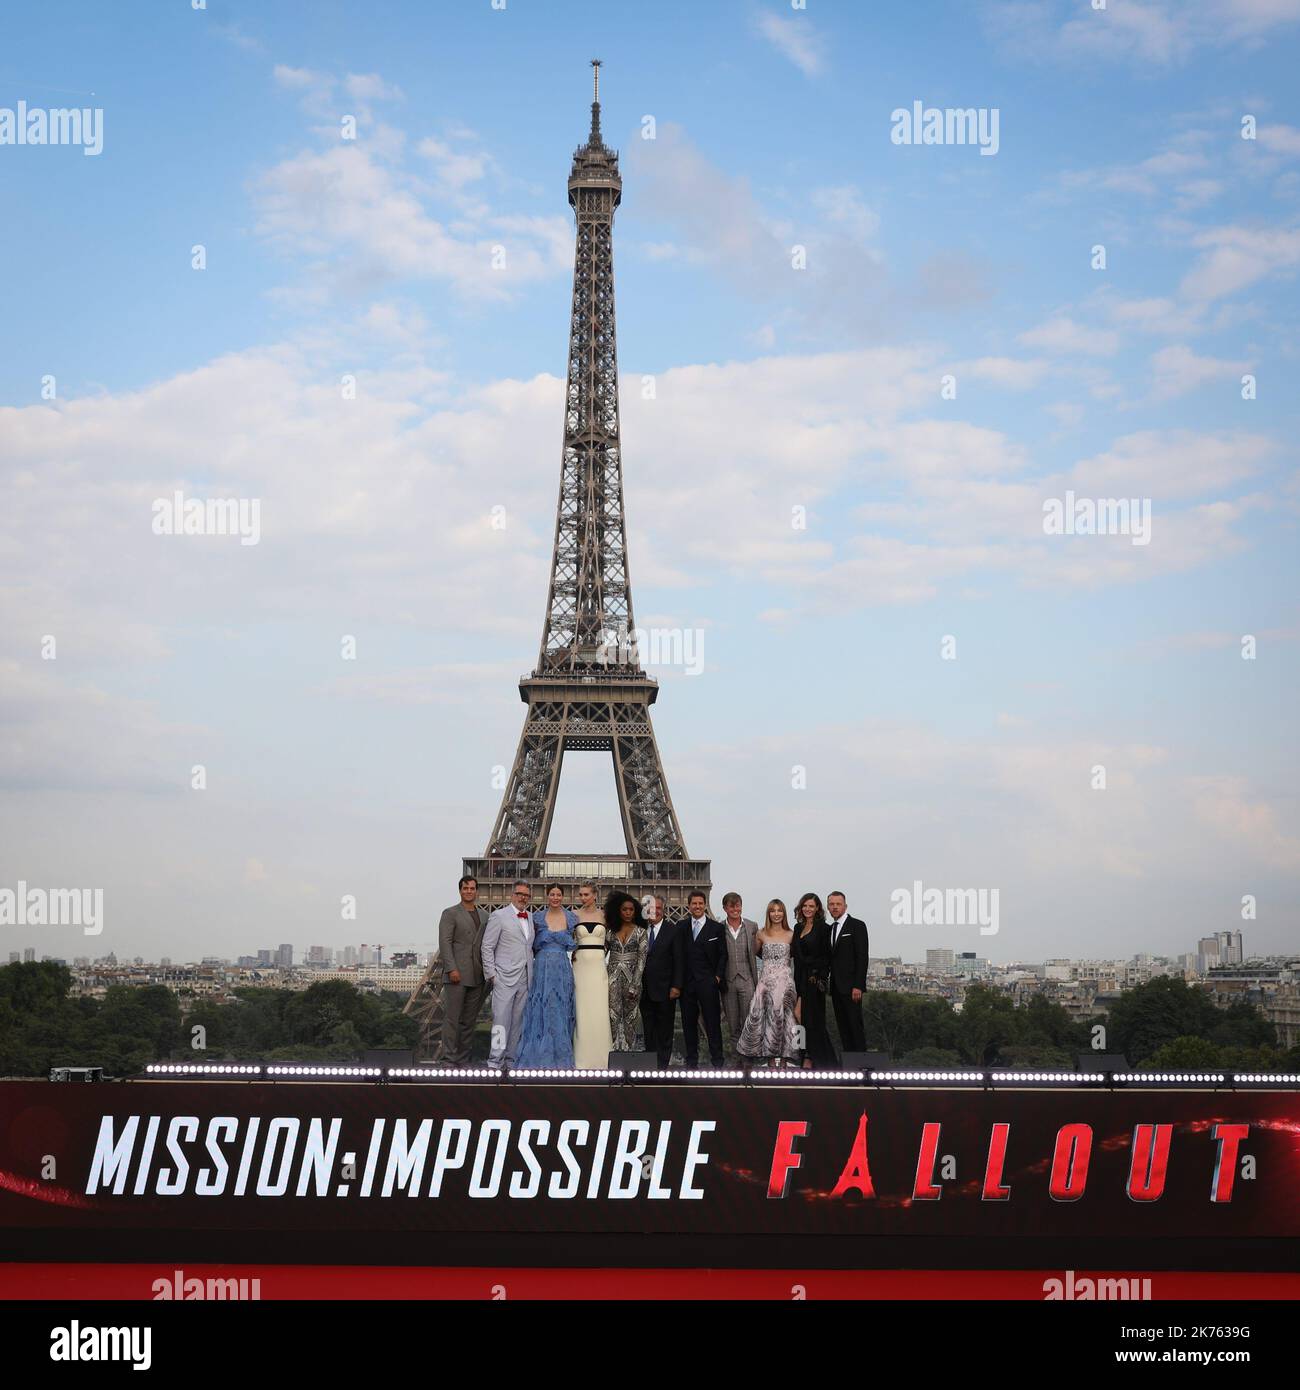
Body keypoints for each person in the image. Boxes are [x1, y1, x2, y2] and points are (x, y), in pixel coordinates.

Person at [515, 884, 577, 1066]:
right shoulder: (537, 917)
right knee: (540, 1009)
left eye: (559, 894)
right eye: (552, 894)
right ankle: (539, 1058)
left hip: (561, 968)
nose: (555, 897)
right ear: (547, 896)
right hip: (542, 966)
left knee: (560, 1008)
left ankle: (560, 1058)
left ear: (563, 897)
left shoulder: (572, 918)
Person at [737, 899, 800, 1066]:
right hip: (766, 983)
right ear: (768, 913)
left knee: (787, 1020)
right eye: (773, 910)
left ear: (784, 914)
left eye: (780, 910)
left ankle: (787, 1059)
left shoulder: (791, 934)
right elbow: (755, 955)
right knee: (766, 1020)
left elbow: (795, 957)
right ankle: (771, 1059)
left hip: (785, 984)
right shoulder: (760, 934)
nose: (777, 914)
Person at [481, 881, 537, 1067]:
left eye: (526, 895)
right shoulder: (499, 916)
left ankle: (511, 1060)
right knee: (500, 1021)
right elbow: (487, 946)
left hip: (525, 976)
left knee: (517, 1024)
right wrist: (492, 975)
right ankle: (494, 1061)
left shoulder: (529, 916)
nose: (523, 898)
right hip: (504, 977)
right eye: (520, 894)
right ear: (512, 895)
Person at [437, 874, 487, 1066]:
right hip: (457, 973)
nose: (469, 891)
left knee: (468, 1021)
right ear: (460, 891)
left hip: (477, 974)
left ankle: (463, 1059)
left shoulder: (485, 915)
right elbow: (445, 942)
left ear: (476, 891)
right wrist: (451, 968)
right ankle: (449, 1059)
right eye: (465, 888)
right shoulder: (450, 913)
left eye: (472, 888)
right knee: (452, 1019)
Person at [680, 889, 727, 1068]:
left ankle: (718, 1063)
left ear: (705, 905)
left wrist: (716, 978)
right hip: (687, 984)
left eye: (700, 903)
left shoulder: (716, 928)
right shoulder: (681, 927)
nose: (697, 906)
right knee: (688, 1025)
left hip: (708, 983)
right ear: (689, 905)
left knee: (713, 1024)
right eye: (694, 903)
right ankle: (691, 1062)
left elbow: (723, 955)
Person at [792, 891, 837, 1068]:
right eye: (805, 905)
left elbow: (827, 957)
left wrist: (818, 977)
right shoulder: (797, 928)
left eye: (811, 906)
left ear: (818, 908)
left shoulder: (824, 928)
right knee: (799, 1019)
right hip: (799, 978)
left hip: (813, 980)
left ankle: (814, 1058)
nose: (808, 909)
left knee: (811, 1020)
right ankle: (803, 1055)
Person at [640, 893, 684, 1066]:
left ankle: (662, 1067)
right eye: (651, 908)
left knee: (665, 1032)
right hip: (644, 991)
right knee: (648, 1031)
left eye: (658, 908)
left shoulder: (673, 931)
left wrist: (676, 986)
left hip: (666, 990)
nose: (655, 911)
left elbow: (679, 960)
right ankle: (650, 1067)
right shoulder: (641, 930)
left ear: (664, 910)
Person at [573, 882, 612, 1067]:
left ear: (595, 895)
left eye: (586, 894)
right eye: (581, 894)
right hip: (580, 967)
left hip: (598, 967)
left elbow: (614, 941)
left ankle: (603, 1059)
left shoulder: (605, 916)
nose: (583, 898)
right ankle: (581, 1059)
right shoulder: (574, 915)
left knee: (599, 1011)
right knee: (581, 1012)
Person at [826, 890, 869, 1053]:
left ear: (845, 906)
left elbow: (862, 957)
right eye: (832, 904)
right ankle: (850, 1067)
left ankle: (862, 1066)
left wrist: (858, 985)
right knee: (843, 1028)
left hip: (852, 988)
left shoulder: (857, 925)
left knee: (855, 1027)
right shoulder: (830, 929)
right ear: (828, 907)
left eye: (838, 904)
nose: (835, 907)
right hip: (836, 988)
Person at [719, 891, 759, 1064]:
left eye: (738, 905)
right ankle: (736, 1060)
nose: (735, 909)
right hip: (728, 982)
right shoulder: (719, 928)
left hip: (748, 979)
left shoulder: (752, 926)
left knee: (748, 1023)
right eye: (731, 906)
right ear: (725, 908)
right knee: (733, 1024)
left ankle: (748, 1060)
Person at [605, 891, 647, 1052]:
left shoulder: (641, 932)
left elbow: (642, 960)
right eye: (624, 909)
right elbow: (600, 953)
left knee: (631, 1018)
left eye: (631, 909)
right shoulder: (610, 932)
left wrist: (635, 984)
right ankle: (614, 1053)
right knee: (612, 1016)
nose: (628, 912)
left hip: (633, 980)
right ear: (618, 911)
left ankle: (629, 1055)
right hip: (612, 979)